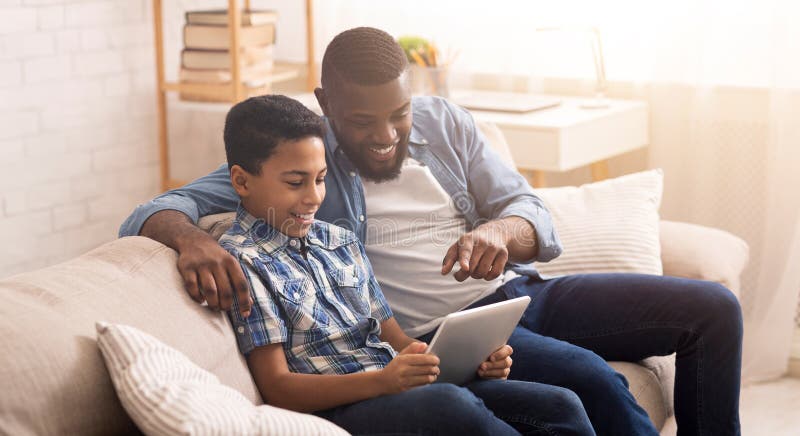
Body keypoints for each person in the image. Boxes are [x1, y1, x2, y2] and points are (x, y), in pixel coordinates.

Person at [120, 27, 743, 436]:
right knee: (588, 379)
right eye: (364, 121)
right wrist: (192, 239)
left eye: (399, 113)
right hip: (435, 329)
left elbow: (531, 210)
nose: (387, 135)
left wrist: (500, 233)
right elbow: (159, 207)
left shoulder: (446, 124)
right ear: (325, 104)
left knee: (711, 310)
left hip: (520, 294)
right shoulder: (300, 161)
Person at [217, 94, 594, 435]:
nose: (313, 197)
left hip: (397, 389)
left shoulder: (340, 241)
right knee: (451, 405)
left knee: (561, 404)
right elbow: (277, 387)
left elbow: (396, 340)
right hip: (339, 408)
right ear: (242, 181)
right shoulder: (242, 260)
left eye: (320, 179)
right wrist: (384, 382)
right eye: (296, 182)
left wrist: (466, 361)